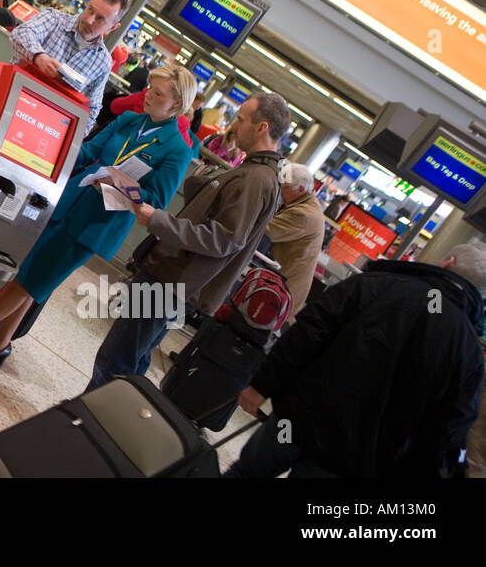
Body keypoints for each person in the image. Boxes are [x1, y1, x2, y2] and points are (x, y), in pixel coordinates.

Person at [0, 64, 198, 366]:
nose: (147, 95)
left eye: (157, 93)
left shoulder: (177, 150)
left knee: (29, 281)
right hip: (70, 201)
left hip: (96, 225)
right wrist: (45, 156)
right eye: (149, 87)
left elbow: (155, 199)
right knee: (32, 274)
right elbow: (87, 151)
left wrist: (120, 183)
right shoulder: (129, 120)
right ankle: (2, 342)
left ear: (176, 103)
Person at [226, 242, 486, 478]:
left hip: (297, 420)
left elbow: (307, 333)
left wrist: (262, 385)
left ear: (448, 262)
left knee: (245, 473)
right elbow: (449, 427)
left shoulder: (375, 284)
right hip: (353, 459)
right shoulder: (469, 353)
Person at [86, 93, 289, 390]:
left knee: (116, 359)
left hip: (172, 280)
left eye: (242, 120)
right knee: (133, 358)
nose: (234, 126)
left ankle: (87, 423)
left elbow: (223, 239)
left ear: (262, 128)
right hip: (175, 279)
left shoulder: (256, 178)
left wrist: (157, 220)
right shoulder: (255, 173)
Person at [10, 0, 130, 126]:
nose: (89, 20)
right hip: (13, 99)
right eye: (90, 10)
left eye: (100, 19)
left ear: (112, 27)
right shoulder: (54, 19)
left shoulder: (102, 62)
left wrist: (67, 135)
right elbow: (20, 33)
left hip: (45, 125)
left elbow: (91, 110)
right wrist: (38, 56)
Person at [265, 162, 326, 323]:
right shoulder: (302, 204)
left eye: (284, 186)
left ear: (300, 189)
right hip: (278, 284)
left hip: (279, 290)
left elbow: (266, 230)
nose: (280, 189)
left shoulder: (304, 214)